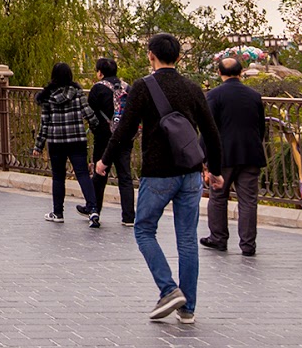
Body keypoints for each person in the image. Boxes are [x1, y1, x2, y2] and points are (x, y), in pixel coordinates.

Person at [98, 33, 223, 326]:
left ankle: (168, 289)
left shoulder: (143, 86)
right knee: (187, 240)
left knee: (143, 230)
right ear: (178, 57)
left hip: (158, 173)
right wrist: (214, 170)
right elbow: (212, 133)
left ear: (151, 55)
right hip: (191, 173)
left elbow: (125, 129)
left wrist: (104, 159)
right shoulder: (192, 88)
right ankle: (188, 308)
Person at [201, 57, 267, 256]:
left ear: (220, 73)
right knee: (248, 201)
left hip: (223, 156)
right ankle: (248, 245)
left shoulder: (214, 95)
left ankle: (218, 238)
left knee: (218, 196)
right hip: (250, 153)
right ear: (241, 72)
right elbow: (261, 127)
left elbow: (208, 128)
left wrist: (204, 158)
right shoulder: (254, 95)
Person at [34, 62, 104, 227]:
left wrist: (38, 145)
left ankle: (58, 213)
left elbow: (44, 124)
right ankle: (93, 209)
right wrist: (97, 130)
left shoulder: (47, 97)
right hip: (77, 139)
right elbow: (89, 114)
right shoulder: (77, 93)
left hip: (56, 141)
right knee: (83, 175)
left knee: (58, 177)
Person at [82, 57, 134, 225]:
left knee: (100, 173)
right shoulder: (127, 87)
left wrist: (97, 130)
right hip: (124, 137)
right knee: (125, 175)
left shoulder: (98, 89)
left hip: (104, 138)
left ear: (100, 72)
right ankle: (128, 216)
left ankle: (94, 209)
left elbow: (90, 113)